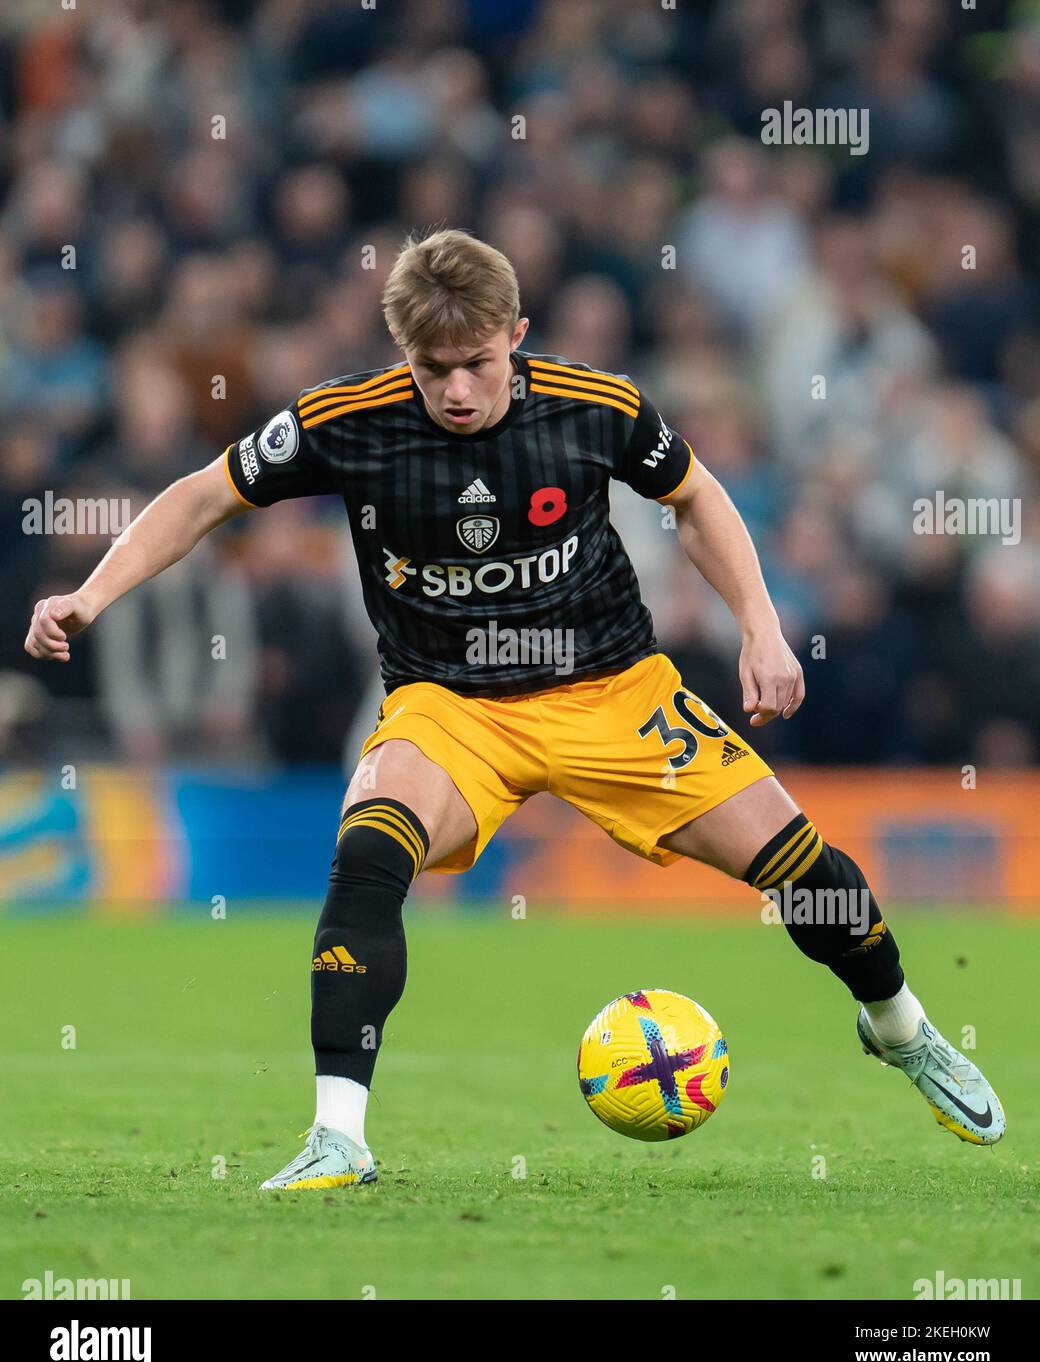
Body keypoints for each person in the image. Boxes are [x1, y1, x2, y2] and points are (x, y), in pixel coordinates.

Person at [25, 230, 1005, 1190]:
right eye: (432, 367)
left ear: (518, 335)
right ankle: (338, 1137)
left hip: (614, 693)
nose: (455, 389)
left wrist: (757, 624)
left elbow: (696, 498)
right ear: (402, 352)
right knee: (367, 855)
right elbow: (203, 497)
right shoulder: (349, 422)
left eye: (477, 364)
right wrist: (91, 594)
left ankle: (900, 1030)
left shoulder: (595, 408)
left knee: (803, 871)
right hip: (449, 707)